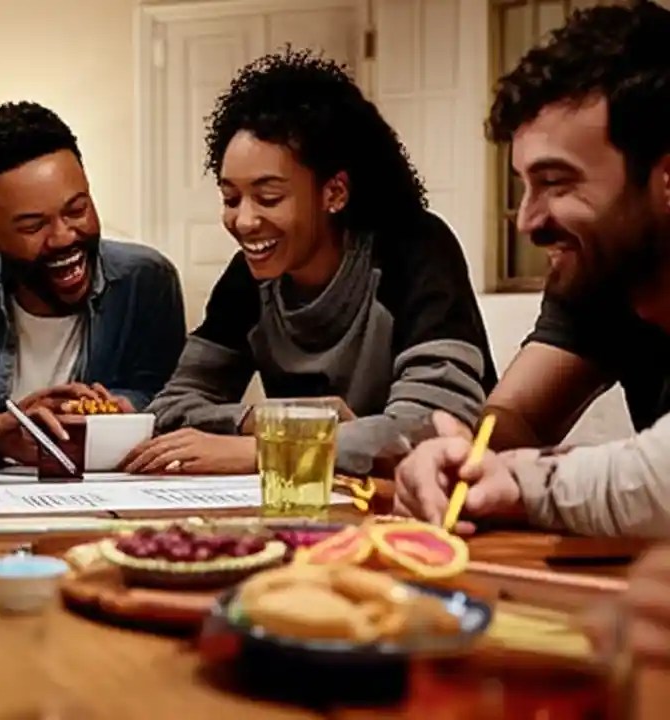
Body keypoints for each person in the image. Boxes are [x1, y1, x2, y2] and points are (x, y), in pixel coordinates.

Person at [125, 49, 496, 477]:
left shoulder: (413, 248)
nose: (243, 221)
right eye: (230, 198)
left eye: (268, 197)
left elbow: (431, 429)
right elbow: (171, 409)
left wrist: (263, 449)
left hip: (434, 509)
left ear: (334, 193)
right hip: (318, 503)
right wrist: (267, 421)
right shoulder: (248, 278)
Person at [394, 2, 670, 538]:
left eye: (557, 182)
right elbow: (518, 414)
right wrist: (464, 461)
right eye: (525, 185)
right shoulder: (603, 270)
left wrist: (523, 481)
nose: (527, 221)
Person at [0, 101, 187, 464]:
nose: (63, 237)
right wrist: (3, 431)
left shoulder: (147, 281)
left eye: (77, 210)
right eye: (33, 226)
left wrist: (119, 410)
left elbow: (174, 407)